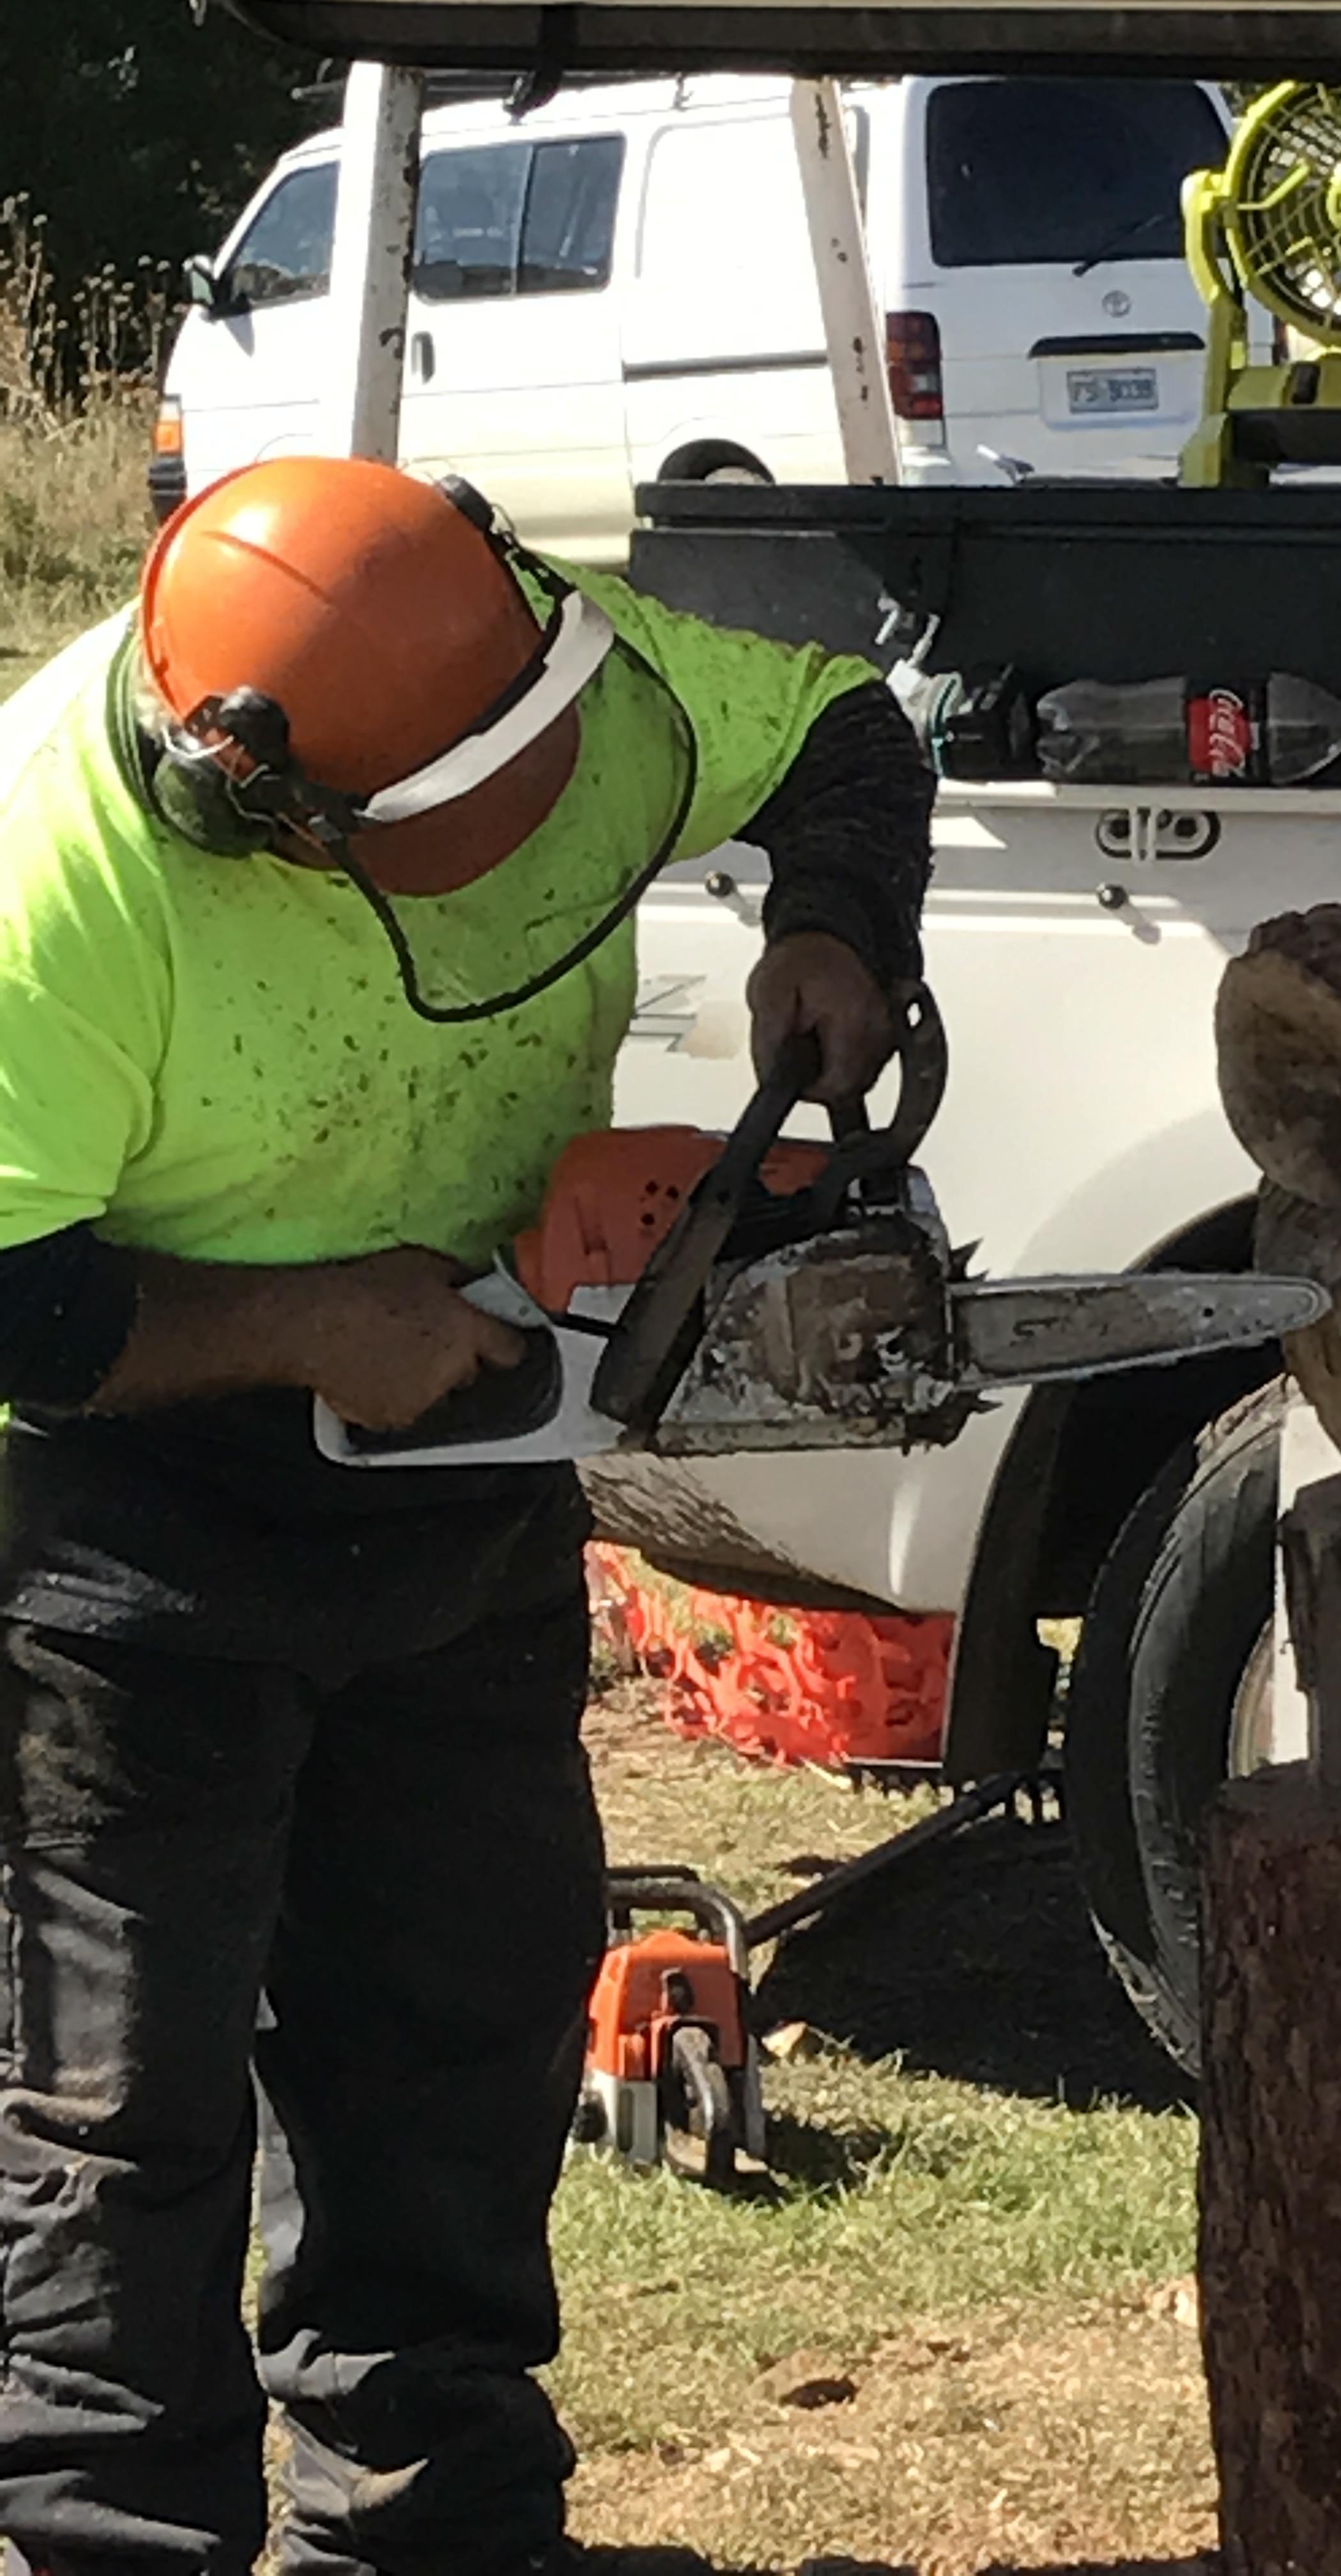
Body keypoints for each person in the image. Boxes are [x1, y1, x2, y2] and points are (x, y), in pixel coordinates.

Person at [0, 454, 932, 2575]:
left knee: (455, 2038)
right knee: (113, 2107)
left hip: (474, 1477)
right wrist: (306, 1324)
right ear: (267, 804)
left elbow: (849, 730)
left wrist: (832, 926)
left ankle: (436, 2534)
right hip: (128, 1544)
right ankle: (110, 2542)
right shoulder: (53, 874)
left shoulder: (570, 677)